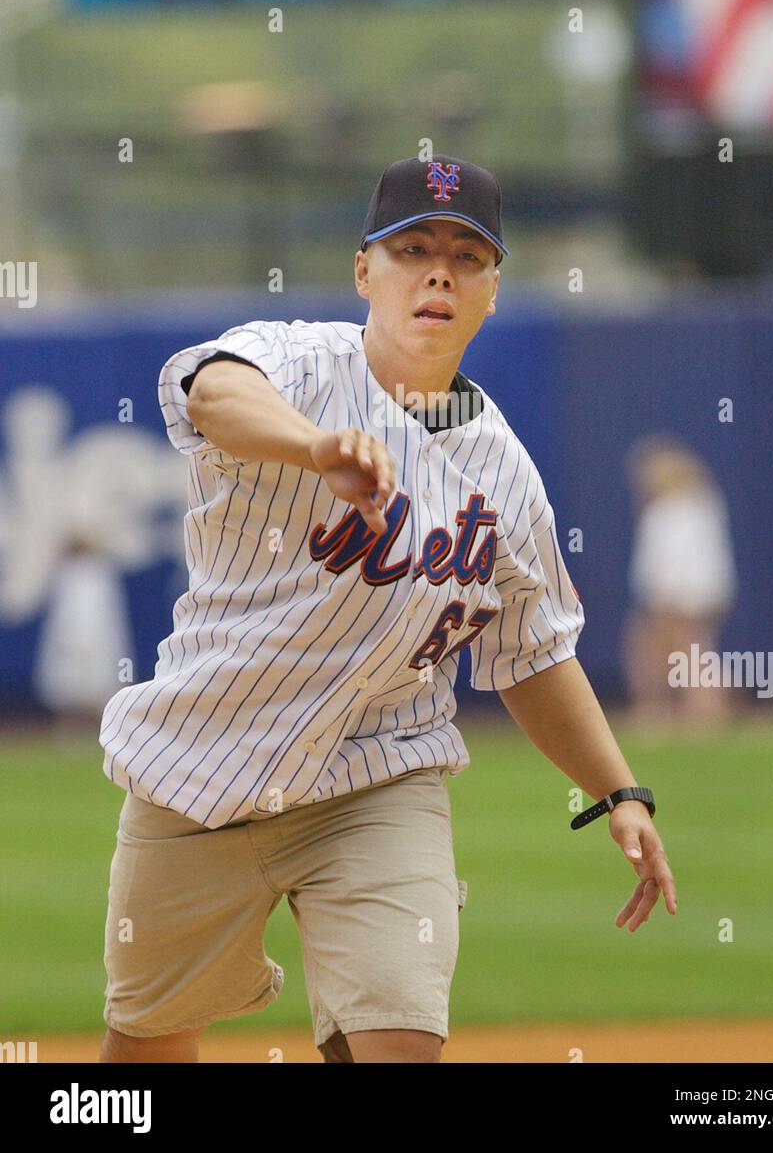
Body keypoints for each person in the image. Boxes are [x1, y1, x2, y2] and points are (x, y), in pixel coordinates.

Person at [98, 155, 677, 1065]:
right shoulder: (299, 360)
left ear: (491, 290)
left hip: (379, 776)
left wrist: (619, 791)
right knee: (145, 1055)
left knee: (401, 1039)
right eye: (412, 247)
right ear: (364, 271)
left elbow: (530, 652)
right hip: (198, 766)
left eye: (467, 255)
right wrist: (313, 443)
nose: (438, 271)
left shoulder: (505, 473)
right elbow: (212, 391)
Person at [622, 436, 738, 736]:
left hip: (680, 597)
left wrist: (667, 598)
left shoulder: (674, 510)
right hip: (697, 595)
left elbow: (675, 560)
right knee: (690, 653)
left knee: (682, 655)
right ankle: (701, 711)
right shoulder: (701, 503)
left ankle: (689, 713)